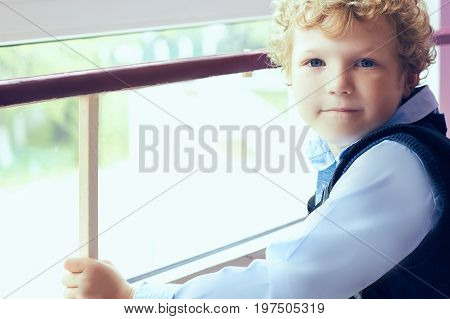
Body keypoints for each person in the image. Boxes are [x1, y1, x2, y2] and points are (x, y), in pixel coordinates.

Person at [62, 0, 450, 298]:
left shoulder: (397, 162)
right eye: (315, 61)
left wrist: (134, 298)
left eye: (366, 62)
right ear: (288, 74)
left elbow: (289, 284)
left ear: (408, 76)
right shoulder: (380, 148)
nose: (338, 83)